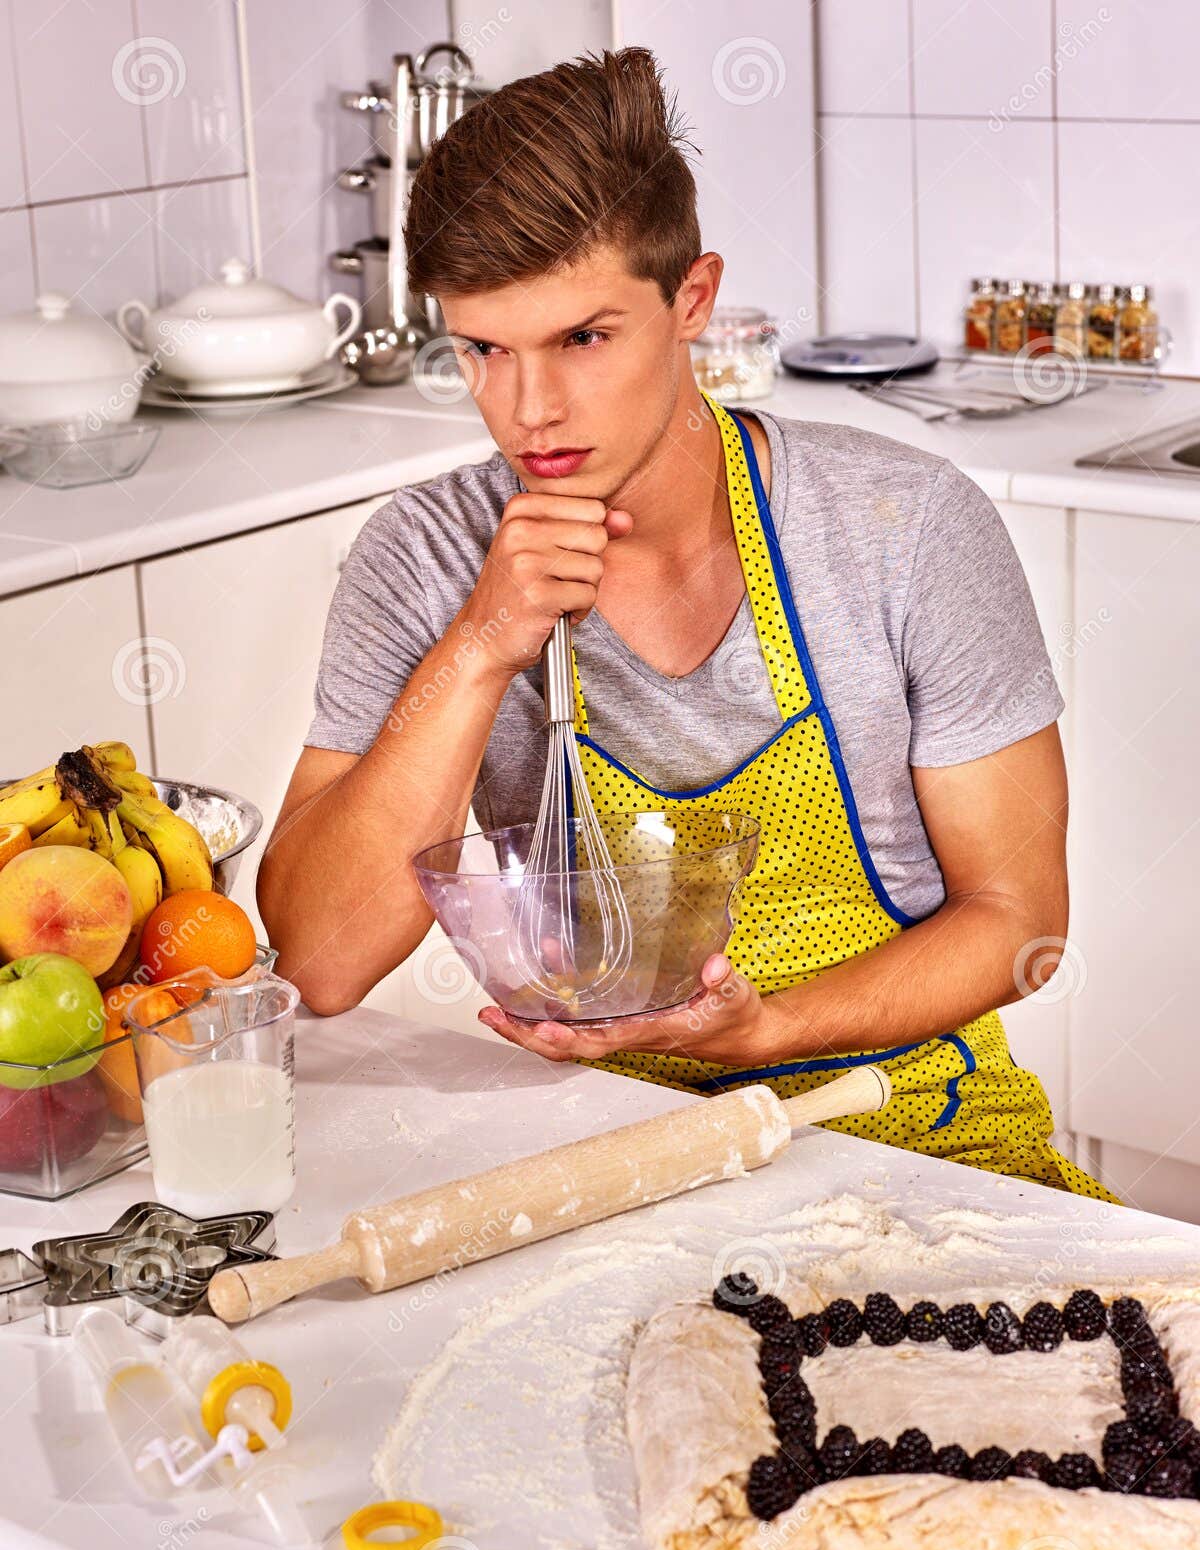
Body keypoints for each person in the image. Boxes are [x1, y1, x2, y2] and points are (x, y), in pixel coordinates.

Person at [259, 47, 1113, 1201]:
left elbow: (1022, 923)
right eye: (484, 350)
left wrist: (765, 1032)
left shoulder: (902, 529)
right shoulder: (419, 558)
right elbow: (319, 961)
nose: (531, 410)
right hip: (601, 1155)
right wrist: (480, 644)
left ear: (692, 301)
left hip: (908, 1131)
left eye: (584, 338)